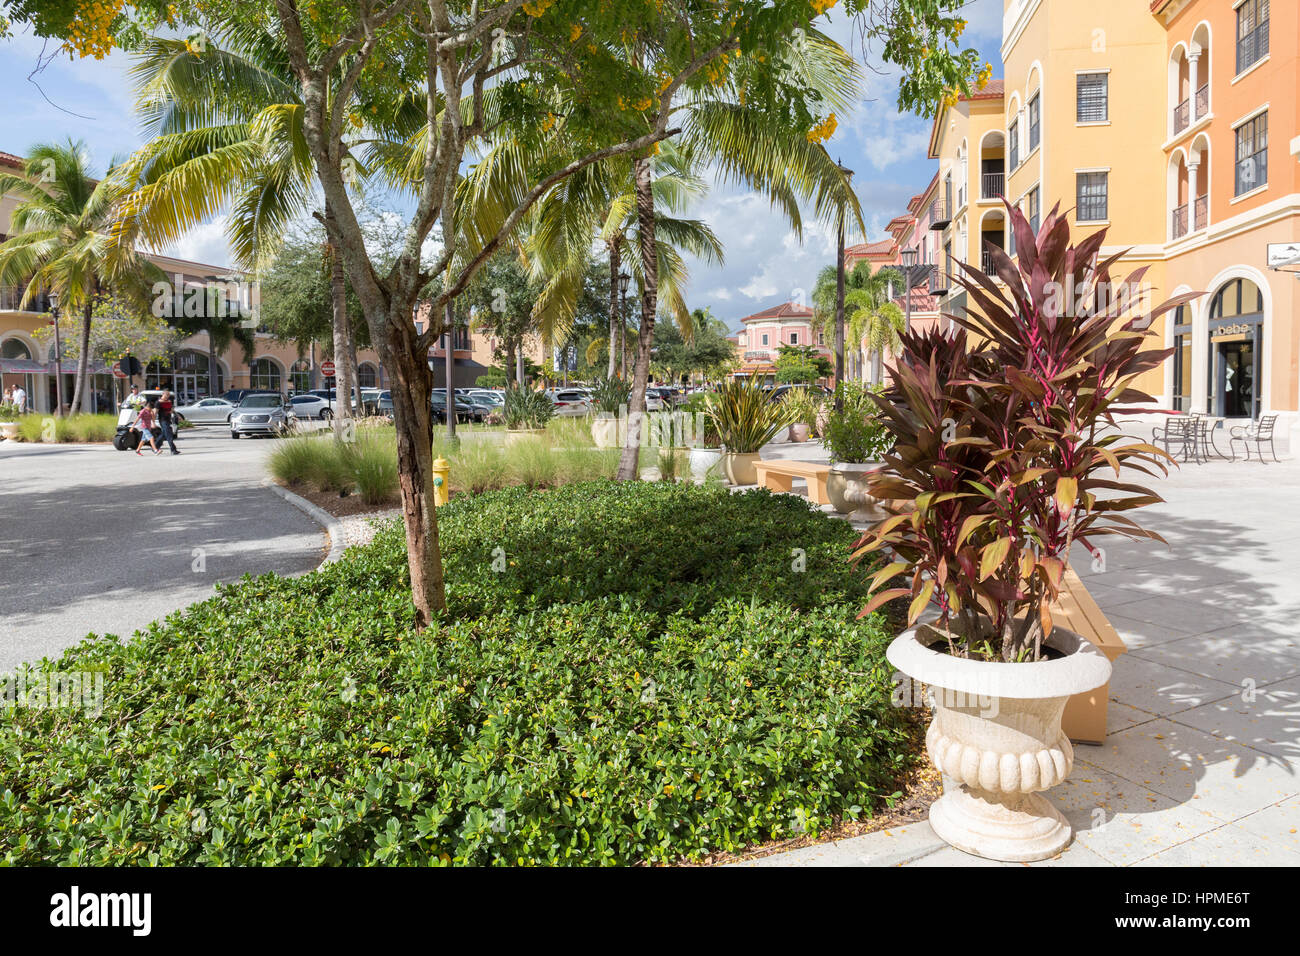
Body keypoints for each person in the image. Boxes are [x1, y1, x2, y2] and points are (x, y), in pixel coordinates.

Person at [157, 389, 180, 455]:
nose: (167, 396)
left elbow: (172, 410)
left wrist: (178, 416)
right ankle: (173, 450)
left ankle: (155, 446)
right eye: (166, 395)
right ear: (163, 394)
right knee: (169, 435)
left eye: (168, 395)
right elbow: (155, 411)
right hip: (162, 420)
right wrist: (152, 422)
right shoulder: (158, 402)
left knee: (164, 434)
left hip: (168, 419)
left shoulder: (169, 401)